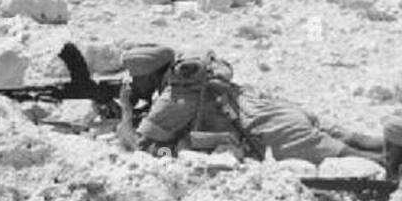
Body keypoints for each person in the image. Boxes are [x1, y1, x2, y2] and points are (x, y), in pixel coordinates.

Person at [134, 52, 383, 163]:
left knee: (353, 156)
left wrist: (125, 110)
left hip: (271, 129)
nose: (133, 84)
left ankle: (398, 170)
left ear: (148, 76)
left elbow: (140, 145)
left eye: (136, 79)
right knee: (360, 139)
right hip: (277, 109)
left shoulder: (173, 97)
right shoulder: (198, 76)